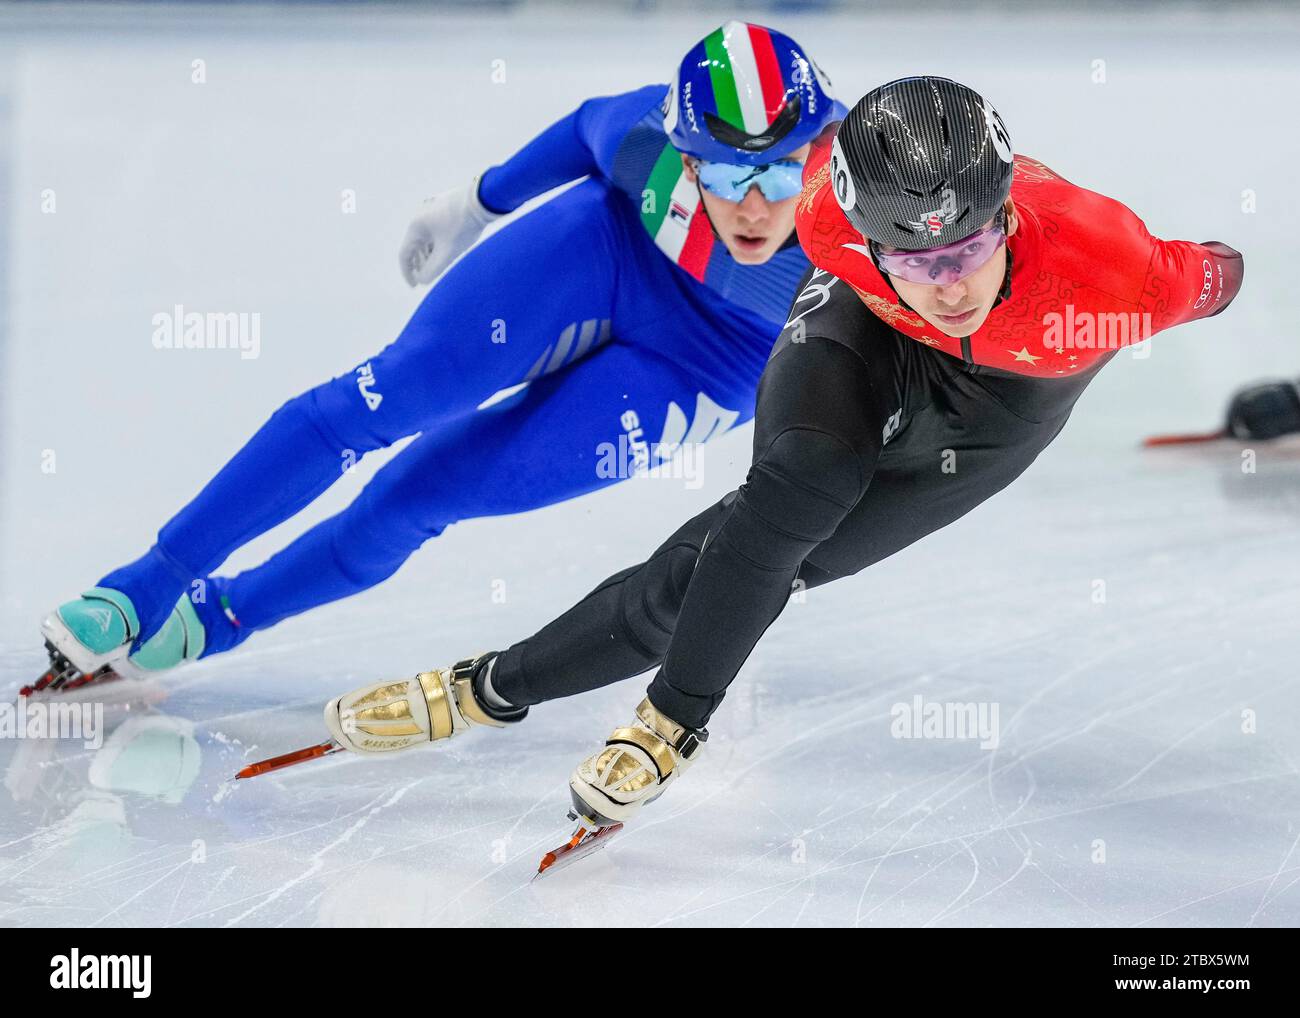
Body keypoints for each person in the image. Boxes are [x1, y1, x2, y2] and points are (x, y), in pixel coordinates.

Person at [318, 76, 1244, 835]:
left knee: (761, 571)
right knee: (776, 516)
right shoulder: (829, 224)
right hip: (863, 332)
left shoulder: (1119, 269)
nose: (948, 287)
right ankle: (630, 717)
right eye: (915, 262)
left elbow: (1223, 271)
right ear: (866, 236)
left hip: (1000, 410)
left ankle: (500, 688)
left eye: (967, 250)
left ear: (1005, 215)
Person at [32, 21, 845, 692]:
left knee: (421, 497)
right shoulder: (646, 143)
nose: (751, 203)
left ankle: (219, 617)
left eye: (777, 174)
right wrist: (478, 201)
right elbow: (581, 128)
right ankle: (149, 582)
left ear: (814, 151)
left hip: (710, 363)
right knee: (382, 399)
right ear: (686, 154)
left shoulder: (855, 218)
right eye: (730, 171)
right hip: (608, 251)